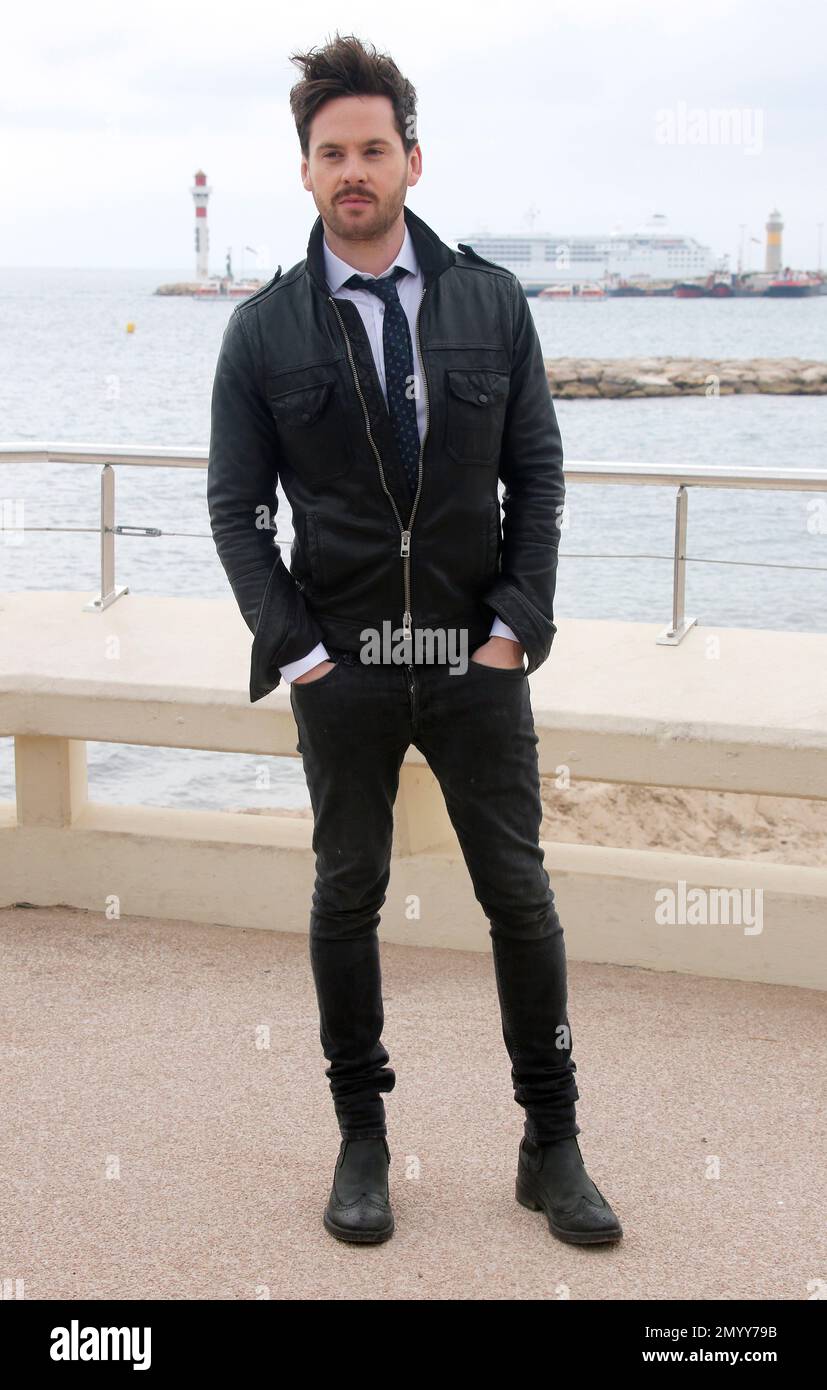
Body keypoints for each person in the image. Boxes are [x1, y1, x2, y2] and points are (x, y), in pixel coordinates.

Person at [207, 31, 622, 1248]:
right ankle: (362, 1139)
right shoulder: (264, 331)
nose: (353, 170)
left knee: (521, 901)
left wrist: (515, 630)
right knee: (347, 898)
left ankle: (551, 1144)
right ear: (304, 171)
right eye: (330, 152)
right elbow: (236, 511)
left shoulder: (488, 302)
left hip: (471, 661)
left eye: (372, 149)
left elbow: (536, 476)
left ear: (411, 161)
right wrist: (300, 655)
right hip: (339, 667)